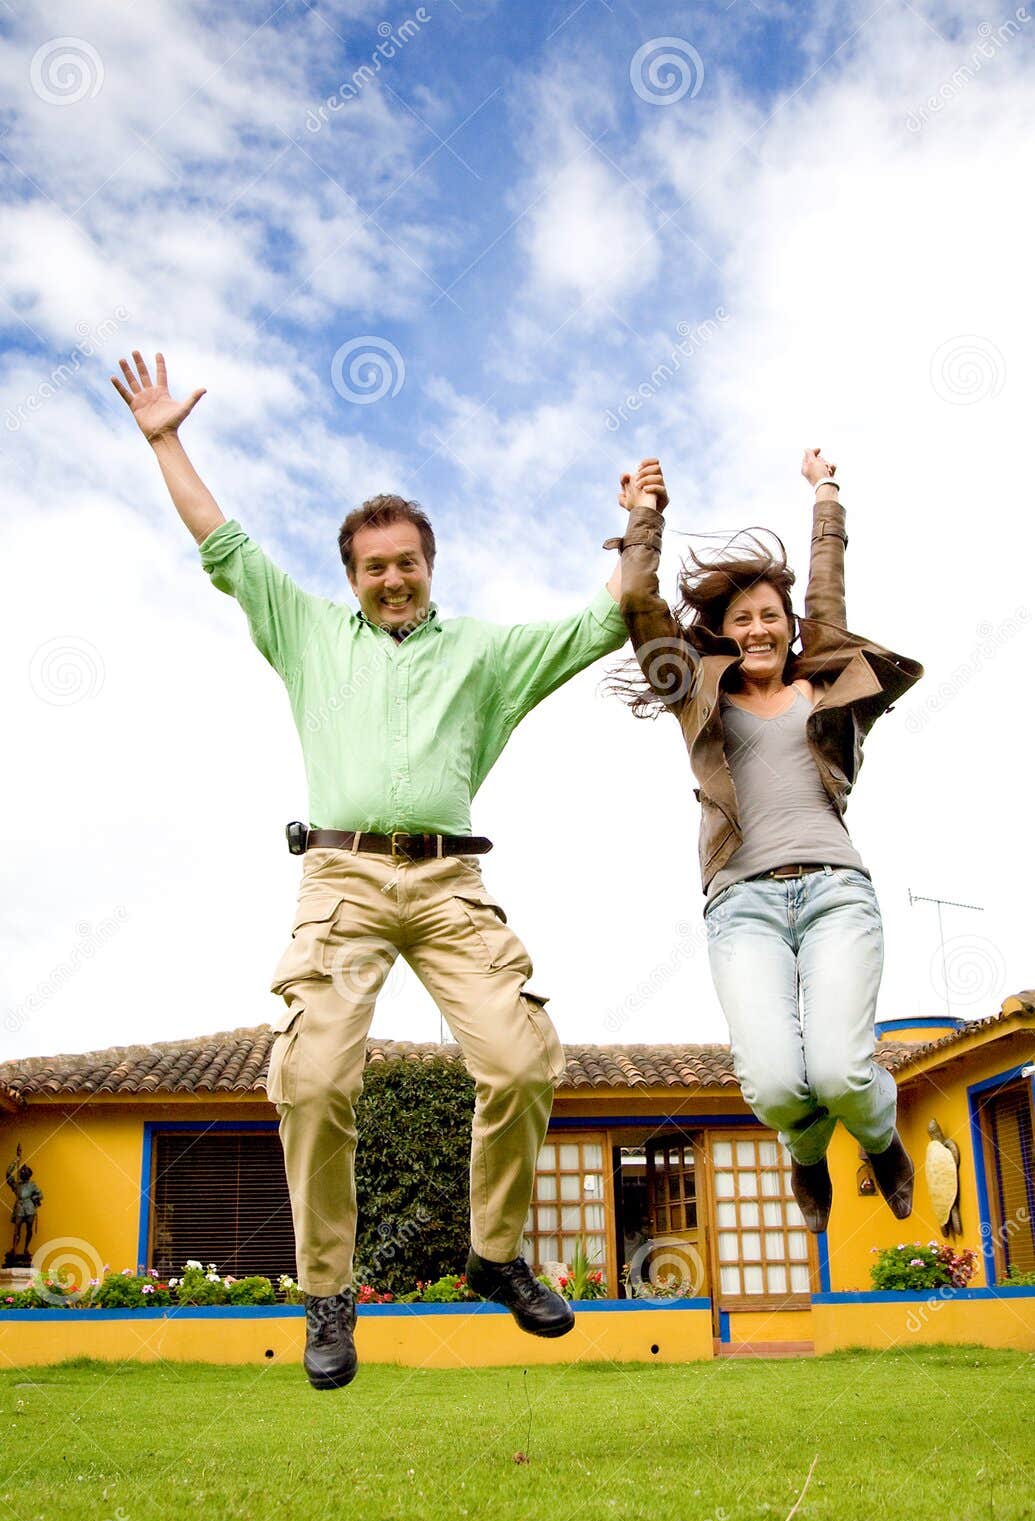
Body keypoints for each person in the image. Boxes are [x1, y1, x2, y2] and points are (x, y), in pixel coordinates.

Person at [111, 349, 635, 1389]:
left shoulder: (482, 652)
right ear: (352, 576)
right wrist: (167, 437)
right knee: (308, 1078)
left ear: (429, 565)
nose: (391, 577)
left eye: (407, 562)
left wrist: (637, 534)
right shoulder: (308, 633)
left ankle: (493, 1256)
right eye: (372, 566)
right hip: (341, 881)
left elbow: (599, 624)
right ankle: (330, 1295)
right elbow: (223, 542)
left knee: (525, 1058)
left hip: (448, 887)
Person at [611, 451, 924, 1233]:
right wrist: (642, 516)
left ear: (790, 629)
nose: (758, 628)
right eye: (741, 618)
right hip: (740, 904)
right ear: (721, 631)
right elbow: (639, 605)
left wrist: (825, 496)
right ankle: (808, 1152)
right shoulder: (694, 695)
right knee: (779, 1087)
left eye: (770, 617)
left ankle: (881, 1139)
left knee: (844, 1071)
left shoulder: (826, 682)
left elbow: (827, 585)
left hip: (835, 893)